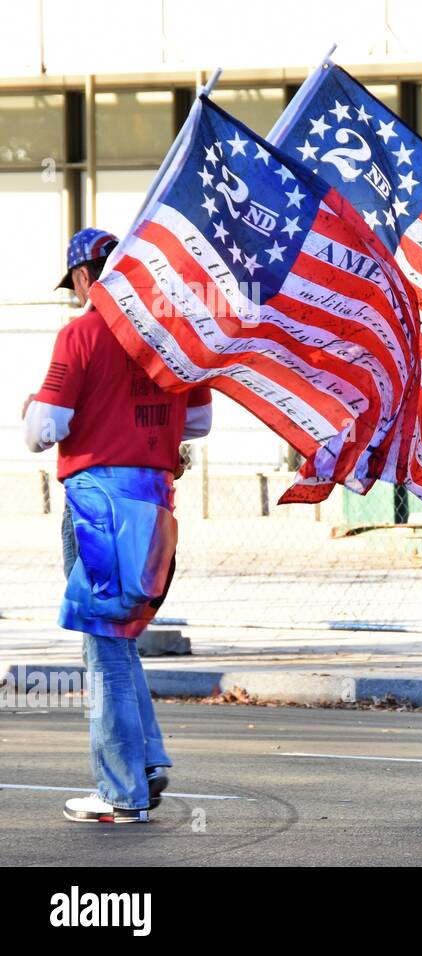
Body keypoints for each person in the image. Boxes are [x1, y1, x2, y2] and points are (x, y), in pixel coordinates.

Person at [24, 228, 213, 823]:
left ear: (84, 277)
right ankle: (148, 762)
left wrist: (33, 407)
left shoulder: (80, 333)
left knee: (103, 650)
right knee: (120, 636)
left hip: (98, 504)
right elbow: (200, 424)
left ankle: (120, 793)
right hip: (155, 500)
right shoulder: (175, 338)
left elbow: (43, 430)